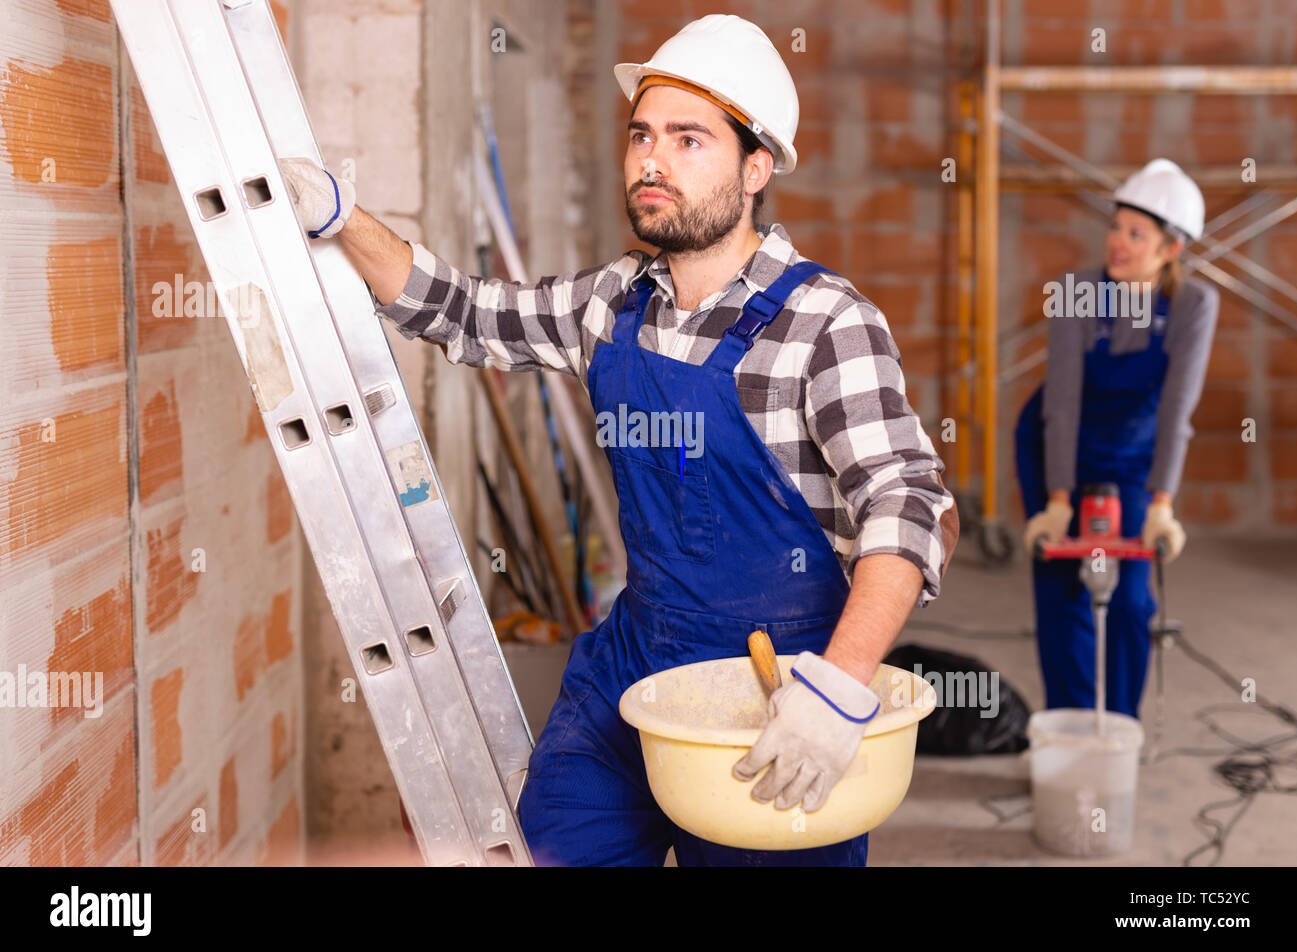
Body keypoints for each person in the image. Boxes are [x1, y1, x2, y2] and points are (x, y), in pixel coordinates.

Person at [281, 13, 957, 866]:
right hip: (634, 668)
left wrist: (837, 687)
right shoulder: (613, 303)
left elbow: (911, 504)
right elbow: (464, 310)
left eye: (688, 139)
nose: (651, 161)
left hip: (778, 694)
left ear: (756, 168)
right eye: (642, 134)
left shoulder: (825, 322)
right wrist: (342, 217)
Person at [1015, 158, 1218, 719]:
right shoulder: (1078, 292)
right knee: (1061, 586)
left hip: (1131, 457)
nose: (1118, 243)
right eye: (1115, 227)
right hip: (1055, 444)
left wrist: (1162, 505)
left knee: (1130, 600)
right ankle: (1072, 723)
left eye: (1136, 234)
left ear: (1171, 248)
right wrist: (1059, 502)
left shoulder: (1193, 306)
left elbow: (1177, 411)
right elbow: (1062, 401)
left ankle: (1121, 731)